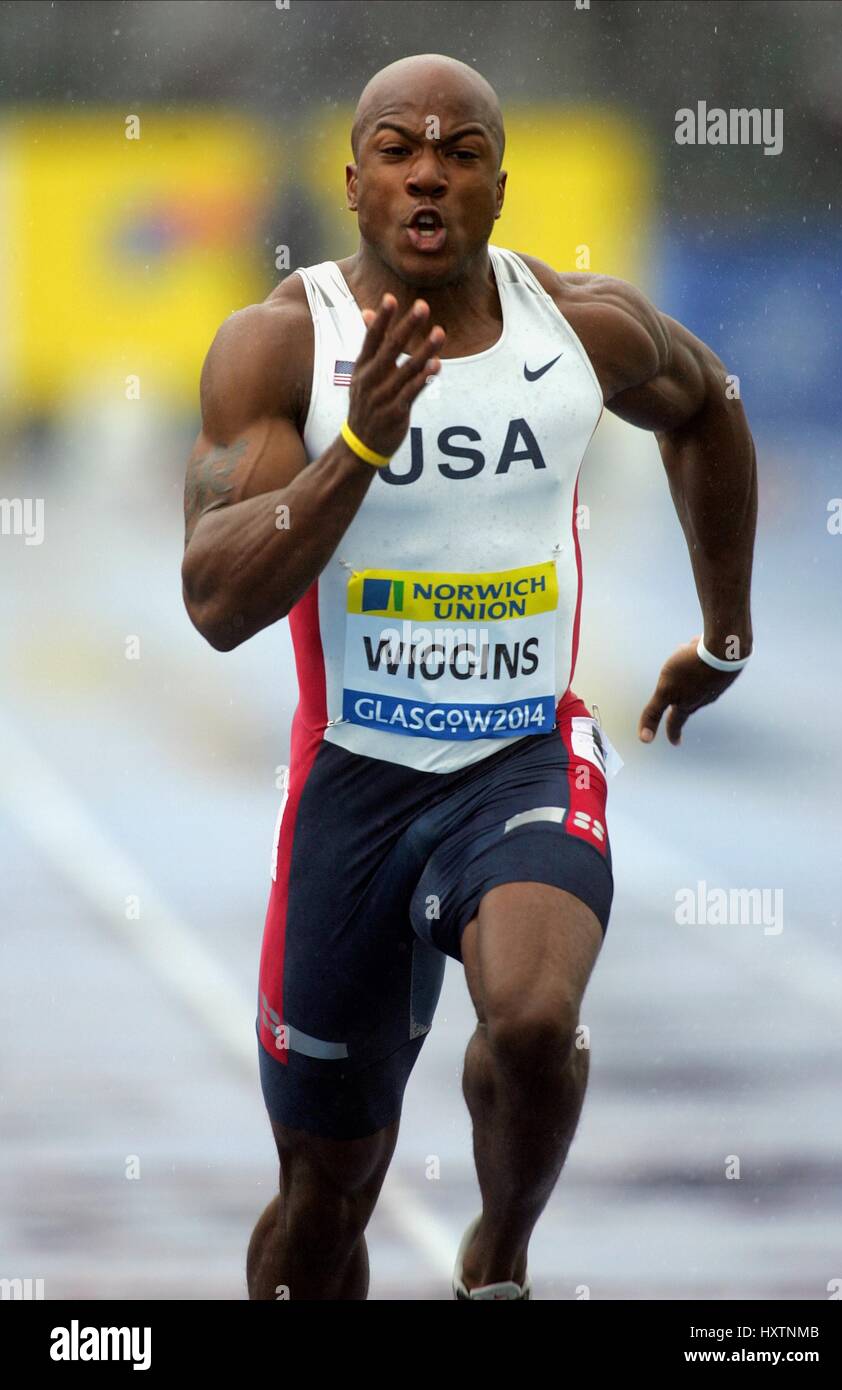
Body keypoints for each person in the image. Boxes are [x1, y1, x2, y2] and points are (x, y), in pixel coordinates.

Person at [181, 53, 757, 1300]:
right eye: (398, 149)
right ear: (351, 182)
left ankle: (495, 1255)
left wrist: (721, 636)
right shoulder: (279, 346)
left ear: (501, 183)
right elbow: (216, 601)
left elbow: (708, 402)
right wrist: (354, 453)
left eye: (459, 152)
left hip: (521, 756)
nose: (428, 172)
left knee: (536, 1021)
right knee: (325, 1201)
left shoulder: (581, 325)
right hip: (354, 788)